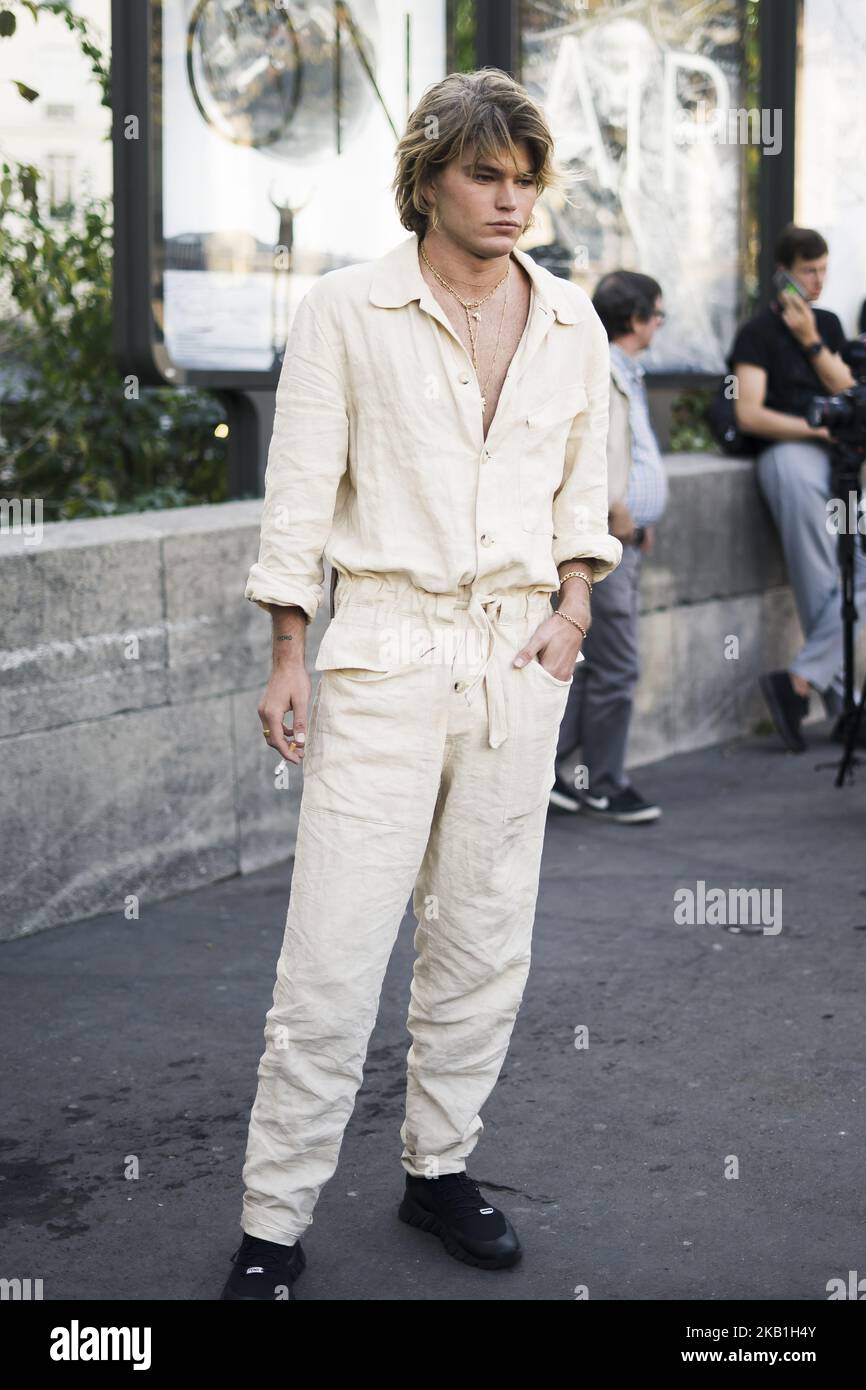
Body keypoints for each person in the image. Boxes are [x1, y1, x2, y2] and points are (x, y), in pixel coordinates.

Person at [220, 68, 622, 1301]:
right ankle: (270, 1225)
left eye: (522, 180)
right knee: (332, 951)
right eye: (482, 175)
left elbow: (580, 494)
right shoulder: (346, 310)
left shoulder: (570, 321)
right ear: (428, 179)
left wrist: (570, 613)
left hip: (516, 655)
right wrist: (288, 652)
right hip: (384, 646)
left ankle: (437, 1166)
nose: (508, 200)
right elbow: (298, 495)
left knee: (482, 937)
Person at [731, 222, 866, 752]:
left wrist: (812, 340)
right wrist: (812, 428)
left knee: (851, 575)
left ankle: (800, 682)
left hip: (837, 460)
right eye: (808, 271)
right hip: (789, 456)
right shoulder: (756, 333)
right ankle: (843, 706)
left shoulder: (828, 326)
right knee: (816, 577)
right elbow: (749, 413)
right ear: (783, 273)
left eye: (824, 270)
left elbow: (852, 394)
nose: (818, 281)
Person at [551, 270, 667, 823]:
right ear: (637, 318)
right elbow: (595, 454)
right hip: (604, 542)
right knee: (617, 665)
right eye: (657, 314)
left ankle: (550, 771)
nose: (660, 325)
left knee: (592, 664)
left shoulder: (628, 371)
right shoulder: (605, 370)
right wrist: (619, 515)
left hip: (622, 537)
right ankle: (603, 782)